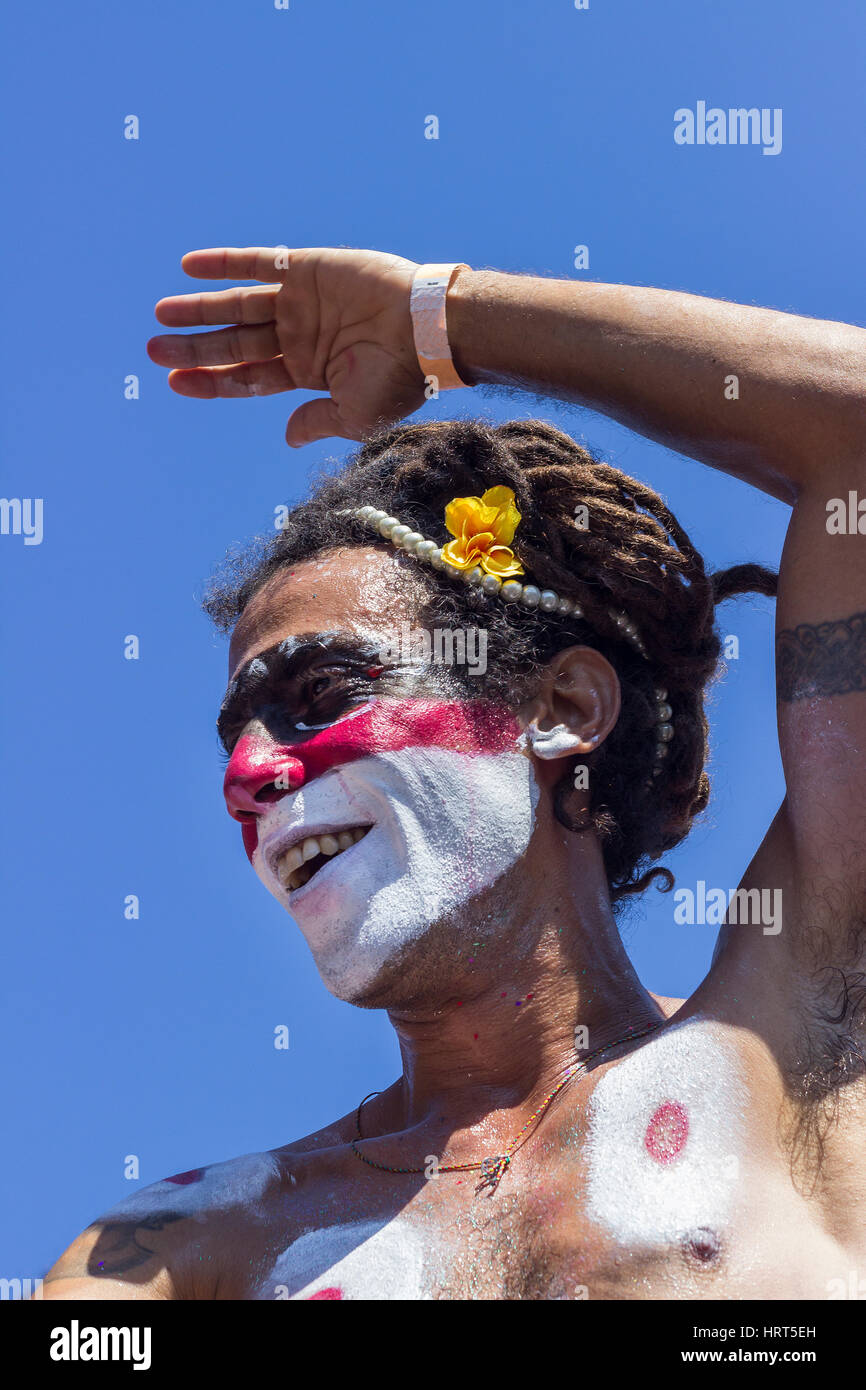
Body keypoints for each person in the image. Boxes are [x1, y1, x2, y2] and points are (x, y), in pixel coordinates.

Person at [37, 250, 866, 1300]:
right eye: (235, 733)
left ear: (560, 708)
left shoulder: (794, 1054)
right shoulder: (181, 1251)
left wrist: (442, 317)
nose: (248, 772)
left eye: (322, 691)